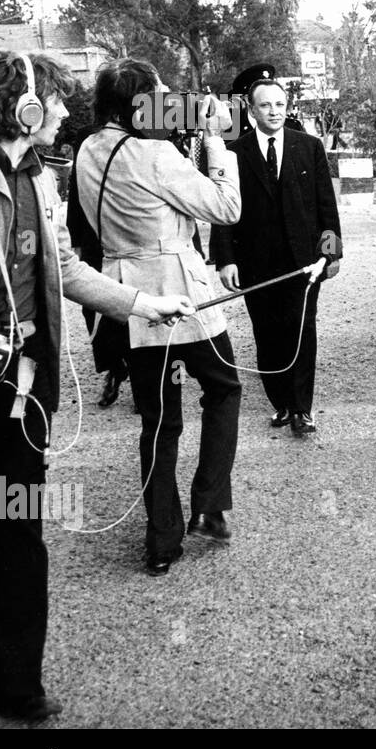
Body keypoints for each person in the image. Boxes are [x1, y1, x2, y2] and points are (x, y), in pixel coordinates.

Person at [0, 50, 193, 720]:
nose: (68, 113)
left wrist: (140, 304)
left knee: (12, 522)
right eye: (57, 101)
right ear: (24, 106)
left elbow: (67, 267)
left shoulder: (42, 179)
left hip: (20, 390)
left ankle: (16, 682)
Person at [74, 58, 244, 575]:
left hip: (126, 299)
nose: (169, 102)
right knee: (225, 387)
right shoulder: (154, 153)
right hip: (179, 295)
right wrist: (214, 139)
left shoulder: (87, 148)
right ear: (138, 104)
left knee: (158, 420)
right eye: (160, 95)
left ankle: (161, 540)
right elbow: (227, 206)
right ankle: (210, 505)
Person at [210, 68, 342, 437]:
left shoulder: (309, 147)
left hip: (304, 263)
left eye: (280, 104)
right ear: (251, 111)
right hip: (255, 262)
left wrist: (331, 254)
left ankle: (302, 408)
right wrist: (226, 259)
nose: (274, 111)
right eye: (265, 105)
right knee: (266, 333)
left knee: (301, 329)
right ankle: (281, 403)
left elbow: (326, 205)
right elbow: (223, 212)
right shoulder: (235, 153)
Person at [65, 126, 133, 409]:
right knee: (94, 307)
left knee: (133, 307)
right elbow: (76, 189)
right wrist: (76, 239)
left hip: (129, 235)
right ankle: (113, 369)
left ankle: (142, 380)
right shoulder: (87, 136)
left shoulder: (137, 135)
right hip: (94, 238)